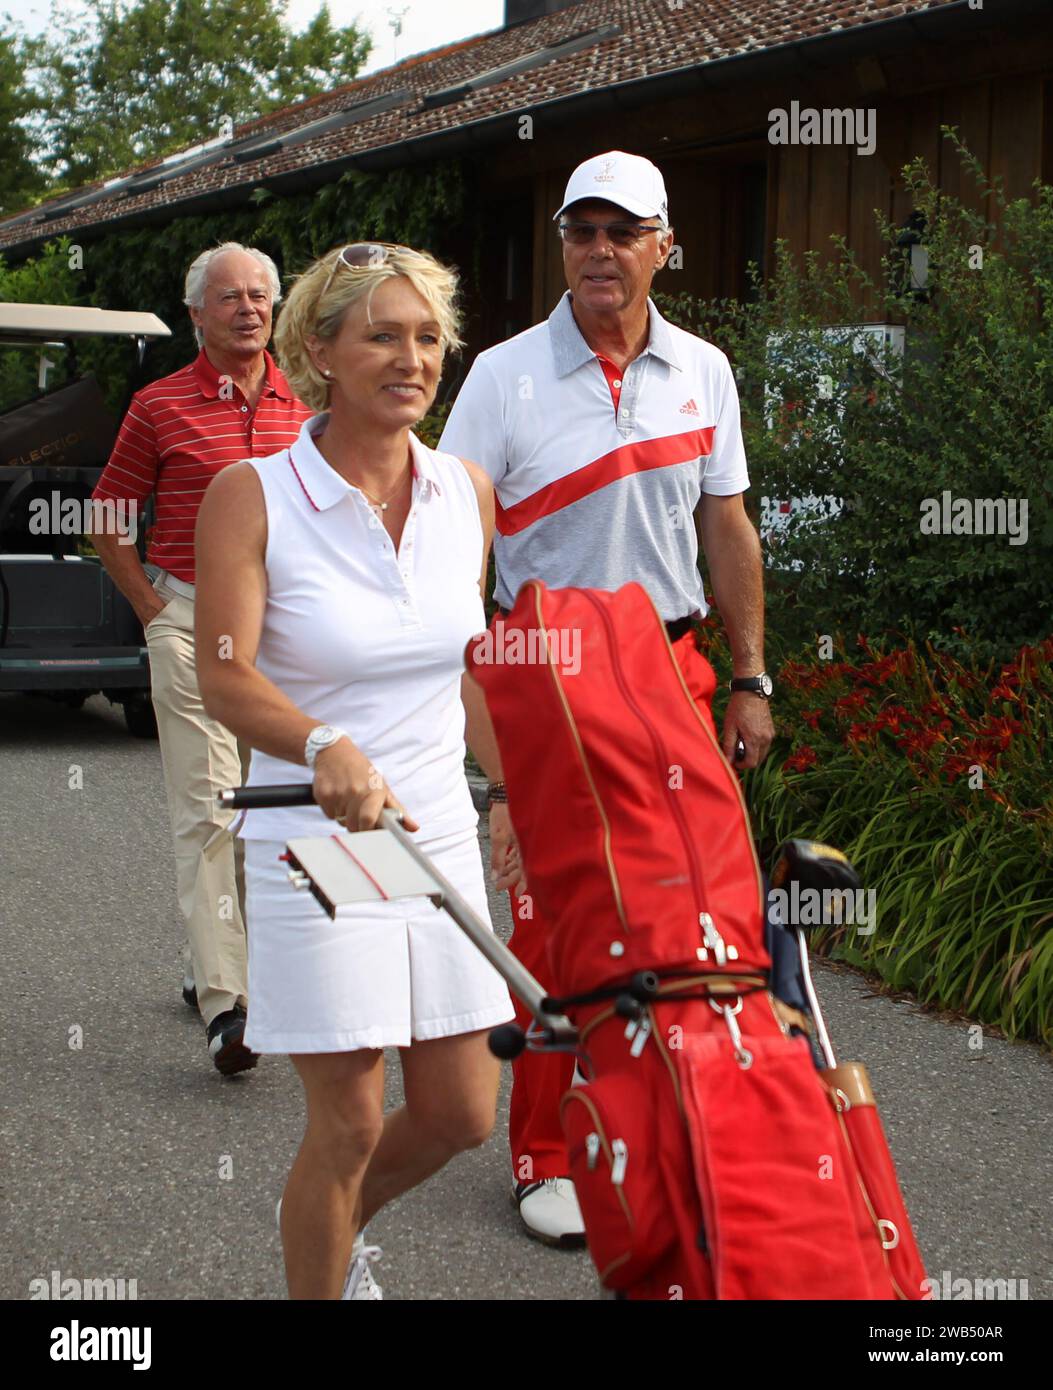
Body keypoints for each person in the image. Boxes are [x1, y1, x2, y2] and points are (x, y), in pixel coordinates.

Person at [439, 150, 775, 1245]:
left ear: (662, 246)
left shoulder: (704, 370)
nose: (598, 249)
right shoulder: (500, 374)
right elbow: (455, 542)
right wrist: (476, 724)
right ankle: (550, 1148)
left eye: (622, 231)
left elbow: (725, 527)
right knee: (550, 910)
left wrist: (749, 674)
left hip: (670, 667)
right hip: (546, 673)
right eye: (580, 229)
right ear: (562, 245)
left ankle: (672, 1114)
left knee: (682, 904)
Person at [194, 242, 515, 1299]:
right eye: (383, 334)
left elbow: (467, 668)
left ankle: (326, 1227)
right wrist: (323, 741)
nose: (412, 358)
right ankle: (320, 1265)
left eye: (428, 337)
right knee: (349, 1119)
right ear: (321, 349)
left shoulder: (466, 490)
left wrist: (510, 791)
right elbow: (227, 678)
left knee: (465, 1111)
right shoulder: (254, 493)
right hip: (318, 839)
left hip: (434, 835)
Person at [90, 242, 312, 1075]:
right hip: (188, 620)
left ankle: (216, 964)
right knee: (213, 810)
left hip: (284, 635)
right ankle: (230, 1005)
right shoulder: (158, 406)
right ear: (196, 315)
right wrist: (153, 611)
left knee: (277, 811)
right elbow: (109, 513)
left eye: (261, 295)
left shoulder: (311, 404)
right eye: (230, 298)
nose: (249, 308)